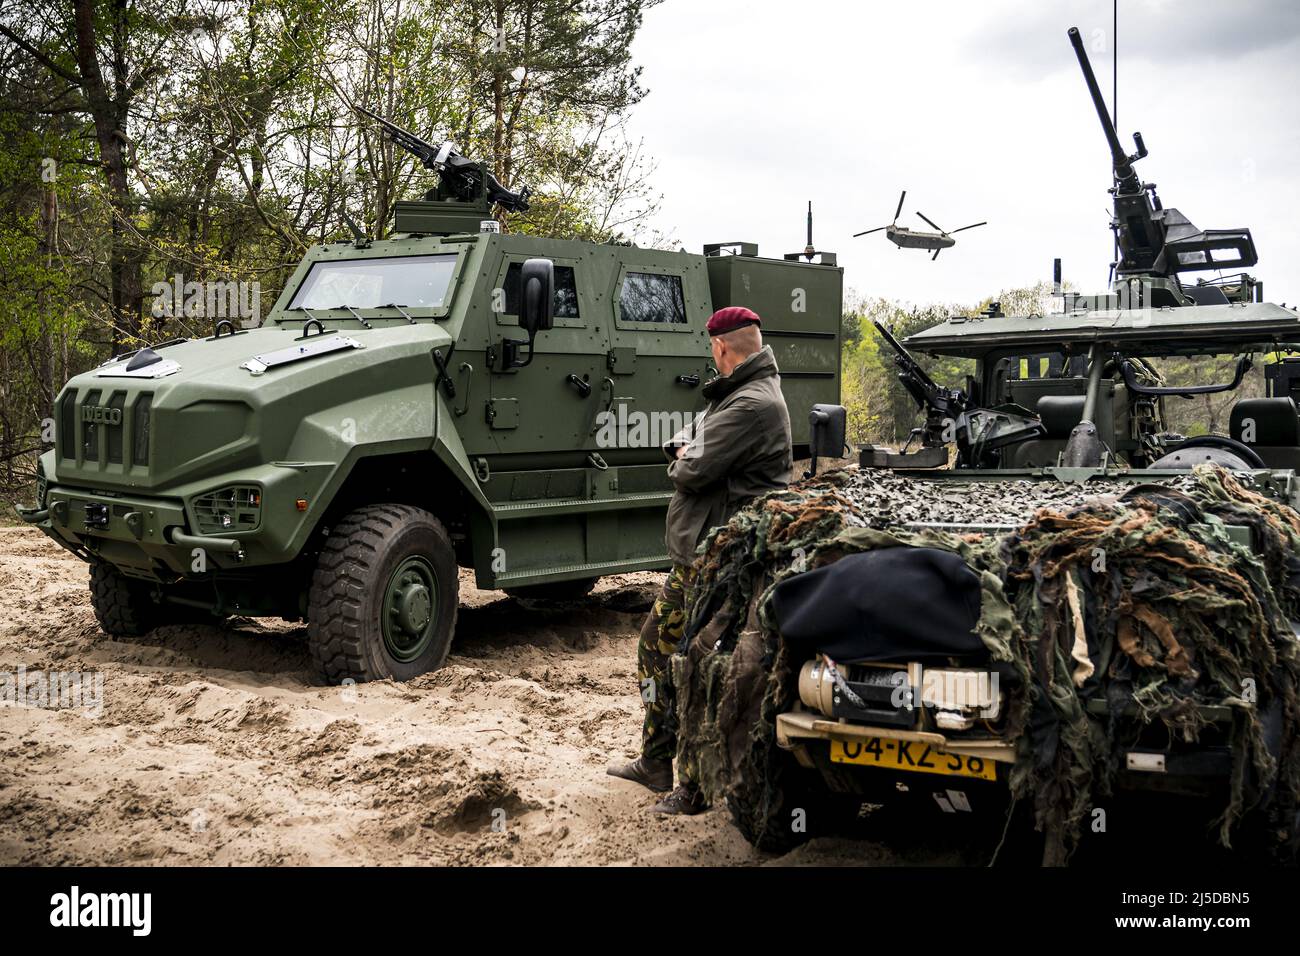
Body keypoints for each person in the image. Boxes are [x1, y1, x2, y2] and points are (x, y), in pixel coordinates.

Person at [607, 305, 793, 815]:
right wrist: (689, 448)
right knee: (656, 651)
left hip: (720, 564)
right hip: (700, 558)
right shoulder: (739, 393)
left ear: (720, 347)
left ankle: (693, 786)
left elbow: (690, 469)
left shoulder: (751, 403)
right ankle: (656, 760)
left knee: (695, 665)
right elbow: (692, 446)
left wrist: (686, 453)